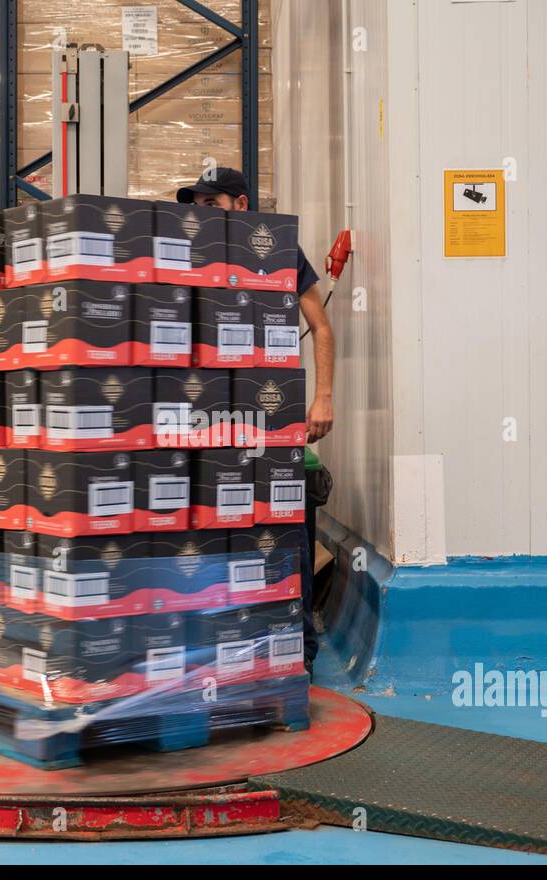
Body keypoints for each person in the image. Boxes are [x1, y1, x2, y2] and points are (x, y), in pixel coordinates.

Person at [176, 167, 335, 677]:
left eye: (209, 202)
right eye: (193, 204)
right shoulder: (187, 251)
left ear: (239, 205)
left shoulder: (278, 249)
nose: (198, 212)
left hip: (270, 414)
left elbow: (322, 327)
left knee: (285, 533)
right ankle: (217, 651)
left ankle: (298, 657)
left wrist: (323, 399)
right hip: (206, 416)